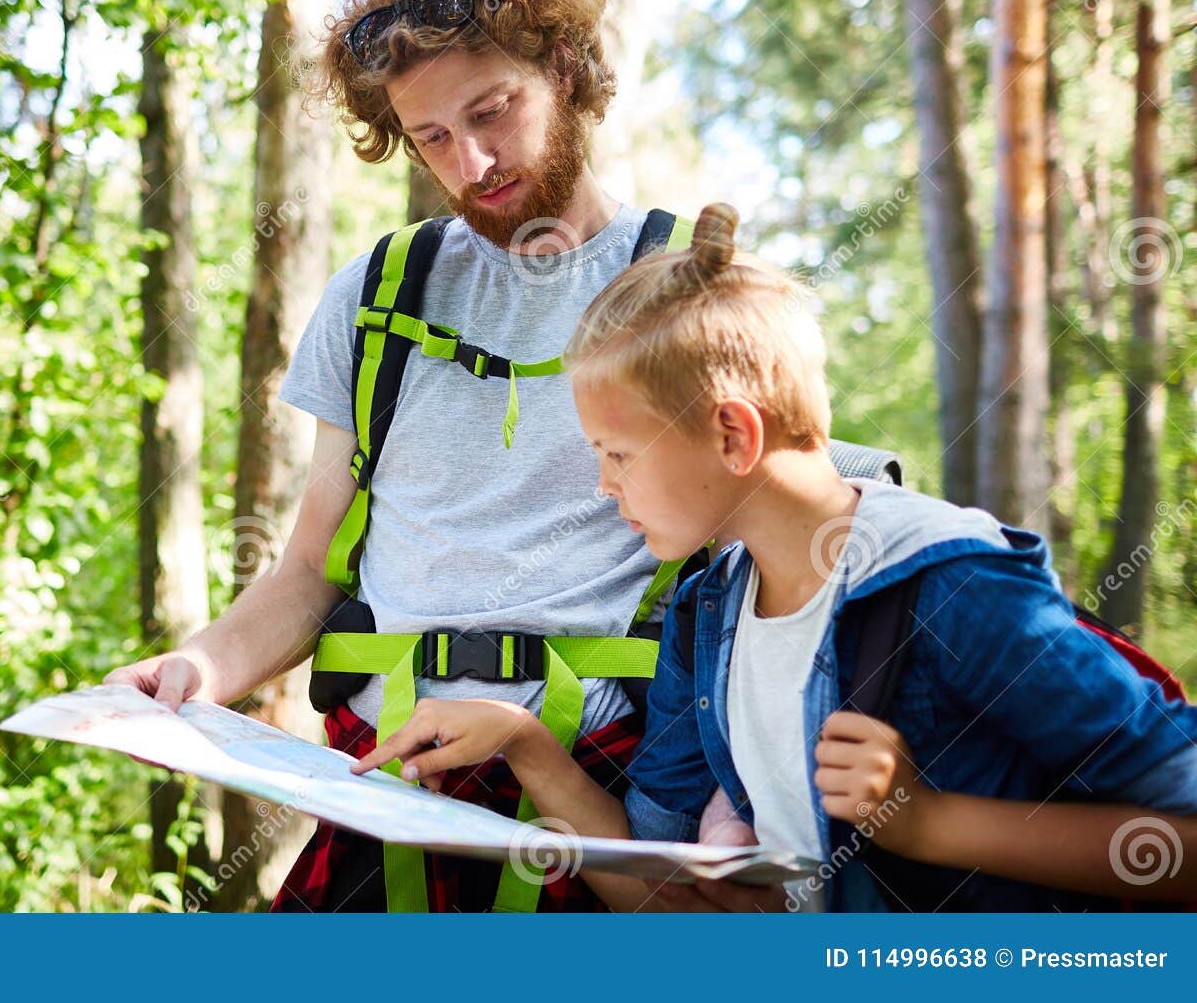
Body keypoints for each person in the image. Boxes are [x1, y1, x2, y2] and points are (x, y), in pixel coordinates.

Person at [354, 203, 1197, 911]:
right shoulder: (709, 609)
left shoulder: (955, 587)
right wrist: (523, 740)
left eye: (617, 453)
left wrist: (928, 822)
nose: (604, 487)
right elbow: (663, 895)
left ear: (732, 433)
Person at [107, 0, 699, 911]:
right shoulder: (381, 292)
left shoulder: (680, 288)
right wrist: (194, 667)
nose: (469, 163)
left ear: (561, 67)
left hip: (603, 806)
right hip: (386, 798)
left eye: (491, 111)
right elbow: (307, 571)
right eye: (430, 137)